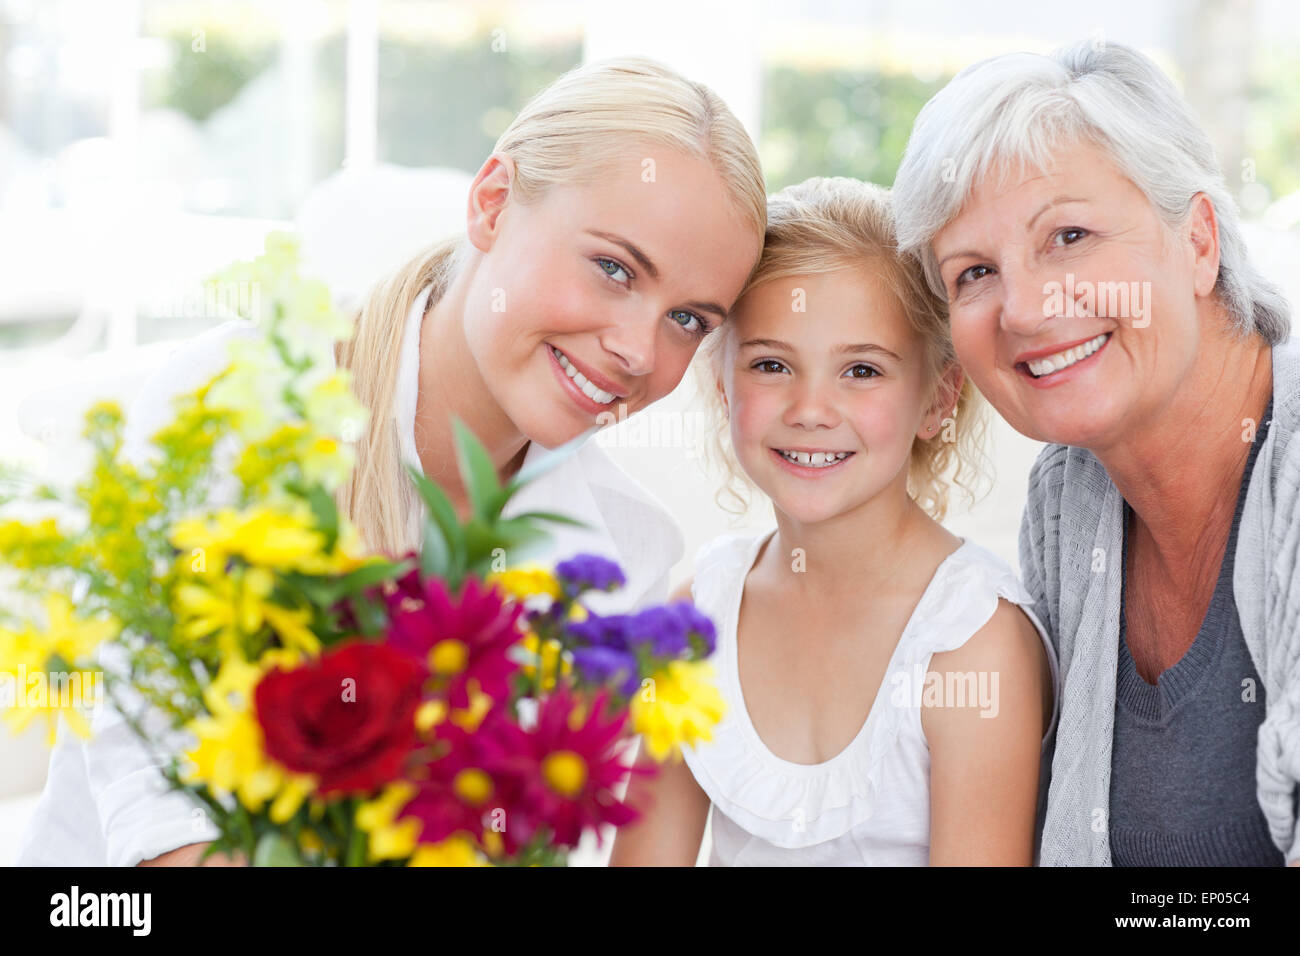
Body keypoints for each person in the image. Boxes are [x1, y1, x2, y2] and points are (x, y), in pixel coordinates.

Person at [18, 55, 767, 867]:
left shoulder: (625, 550)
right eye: (614, 268)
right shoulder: (236, 412)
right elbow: (168, 830)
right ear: (492, 203)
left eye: (689, 320)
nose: (635, 349)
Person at [892, 38, 1300, 866]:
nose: (1027, 309)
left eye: (1069, 235)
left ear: (1197, 242)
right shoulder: (1070, 498)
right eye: (973, 273)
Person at [610, 177, 1058, 866]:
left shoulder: (971, 640)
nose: (811, 408)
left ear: (938, 398)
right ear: (723, 384)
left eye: (861, 370)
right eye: (771, 364)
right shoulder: (699, 614)